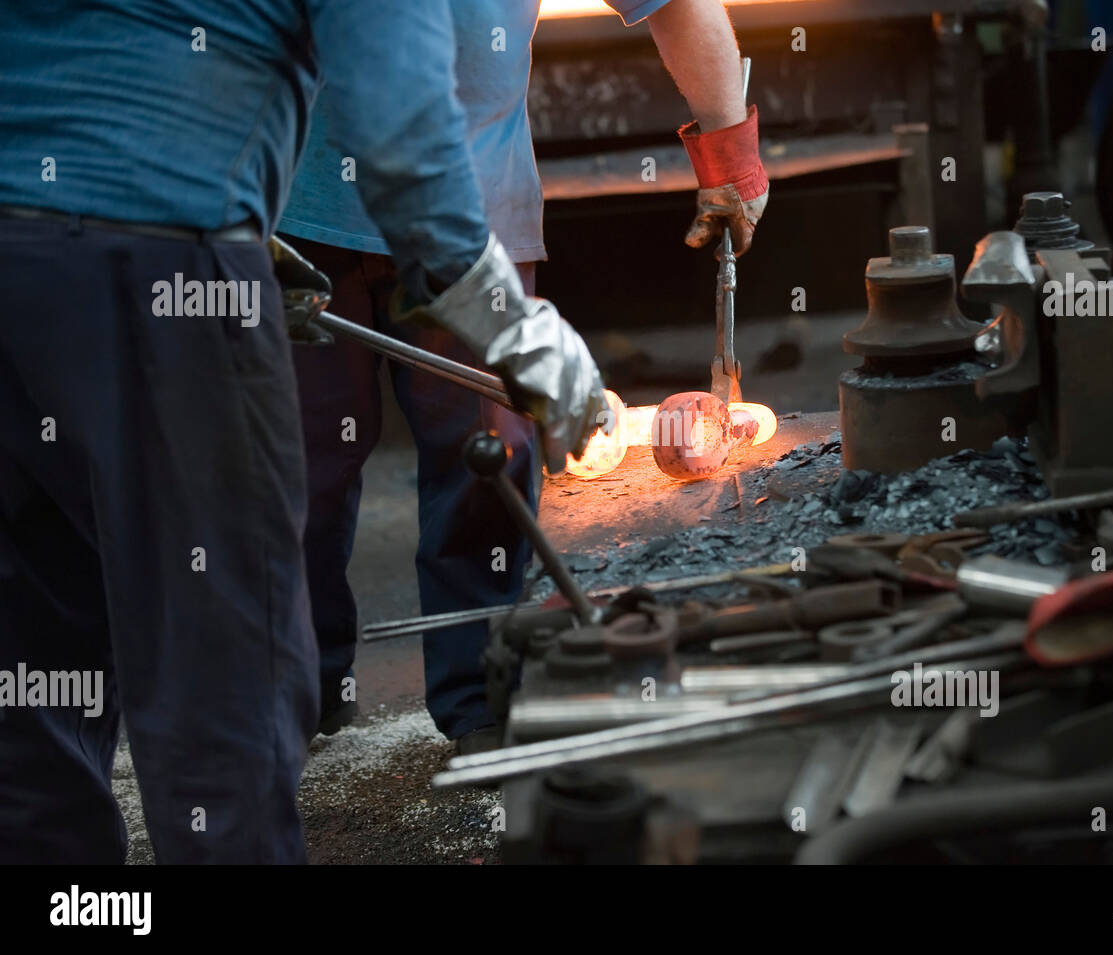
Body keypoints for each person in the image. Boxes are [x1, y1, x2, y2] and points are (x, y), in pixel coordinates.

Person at [0, 0, 605, 863]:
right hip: (162, 264)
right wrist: (513, 323)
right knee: (221, 681)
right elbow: (400, 131)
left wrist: (250, 209)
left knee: (29, 681)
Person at [278, 0, 770, 750]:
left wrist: (730, 149)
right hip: (300, 208)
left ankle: (482, 695)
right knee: (294, 465)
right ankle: (295, 689)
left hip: (469, 212)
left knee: (489, 464)